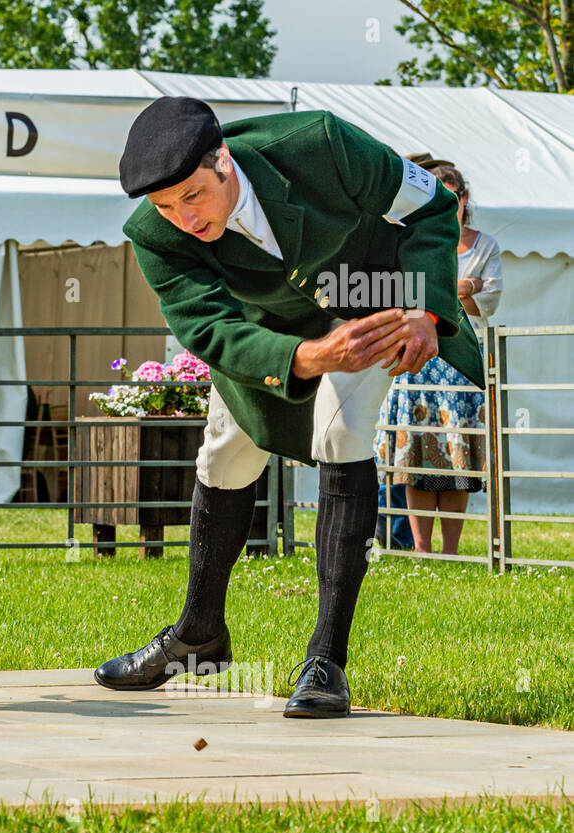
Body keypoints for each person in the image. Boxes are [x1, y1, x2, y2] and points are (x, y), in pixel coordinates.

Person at [94, 98, 484, 717]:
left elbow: (430, 206)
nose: (181, 218)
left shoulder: (319, 141)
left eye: (192, 196)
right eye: (166, 206)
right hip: (269, 337)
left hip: (373, 303)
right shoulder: (153, 234)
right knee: (223, 456)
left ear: (222, 159)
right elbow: (206, 327)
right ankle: (200, 634)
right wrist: (305, 355)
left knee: (342, 432)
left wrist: (424, 307)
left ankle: (326, 659)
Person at [376, 165, 500, 555]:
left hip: (461, 364)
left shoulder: (484, 246)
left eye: (452, 199)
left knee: (457, 459)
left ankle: (451, 549)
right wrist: (463, 287)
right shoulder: (410, 240)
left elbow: (489, 302)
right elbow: (401, 292)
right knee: (416, 456)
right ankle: (421, 547)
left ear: (463, 201)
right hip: (419, 360)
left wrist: (442, 292)